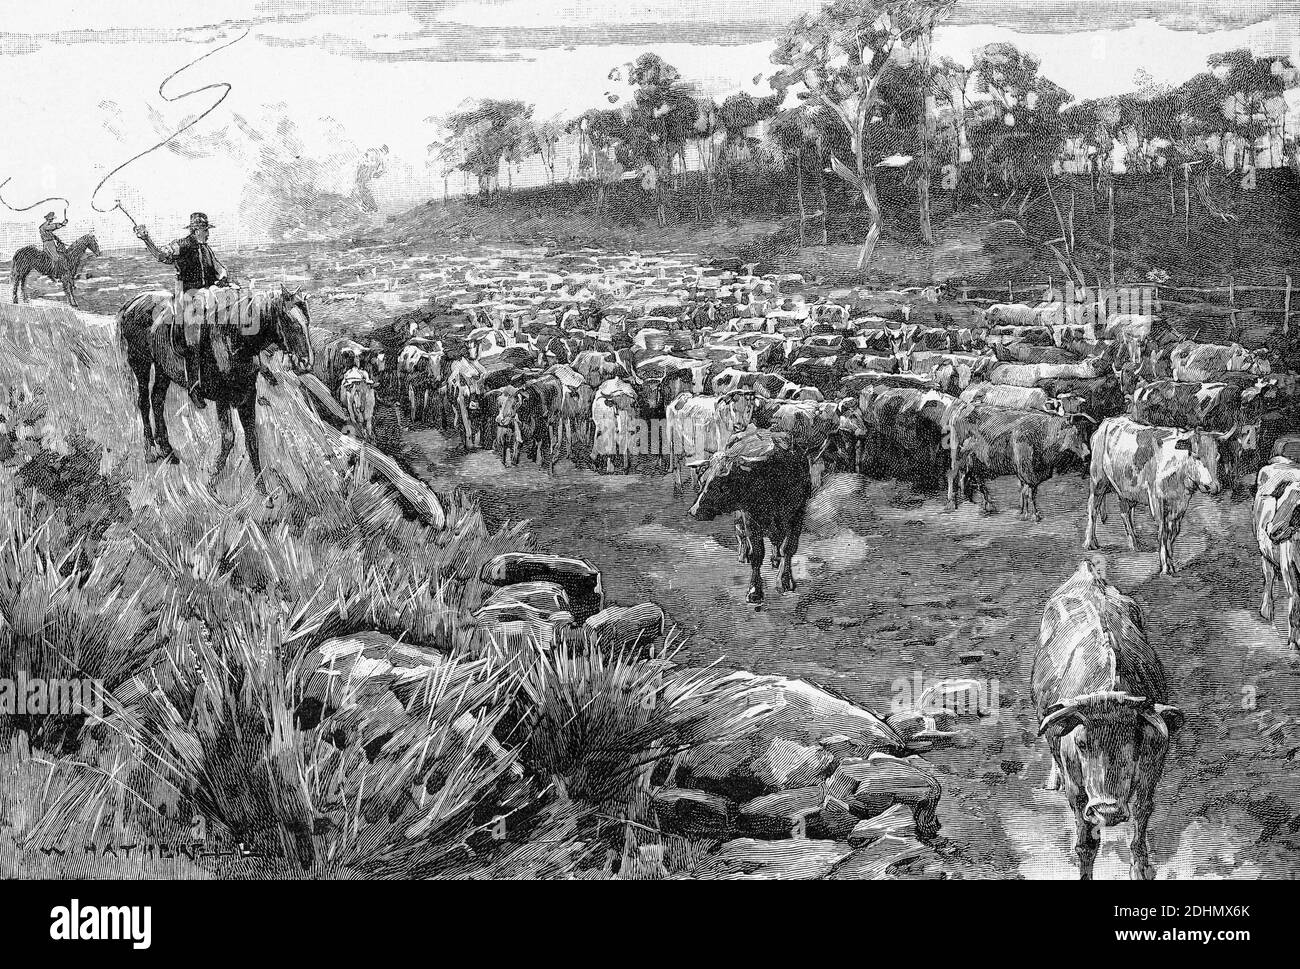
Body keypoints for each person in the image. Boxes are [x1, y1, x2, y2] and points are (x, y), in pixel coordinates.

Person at [134, 213, 230, 409]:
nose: (208, 234)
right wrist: (146, 238)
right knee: (193, 331)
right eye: (205, 230)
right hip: (188, 295)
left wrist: (223, 275)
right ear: (196, 231)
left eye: (207, 230)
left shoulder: (206, 249)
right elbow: (161, 255)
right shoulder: (181, 245)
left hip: (208, 294)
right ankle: (194, 385)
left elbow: (218, 268)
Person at [39, 212, 68, 276]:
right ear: (49, 219)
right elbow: (52, 227)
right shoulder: (44, 226)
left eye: (52, 219)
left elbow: (51, 233)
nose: (52, 220)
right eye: (51, 219)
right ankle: (56, 273)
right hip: (49, 244)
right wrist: (62, 224)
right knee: (56, 257)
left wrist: (58, 240)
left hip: (50, 243)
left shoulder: (47, 227)